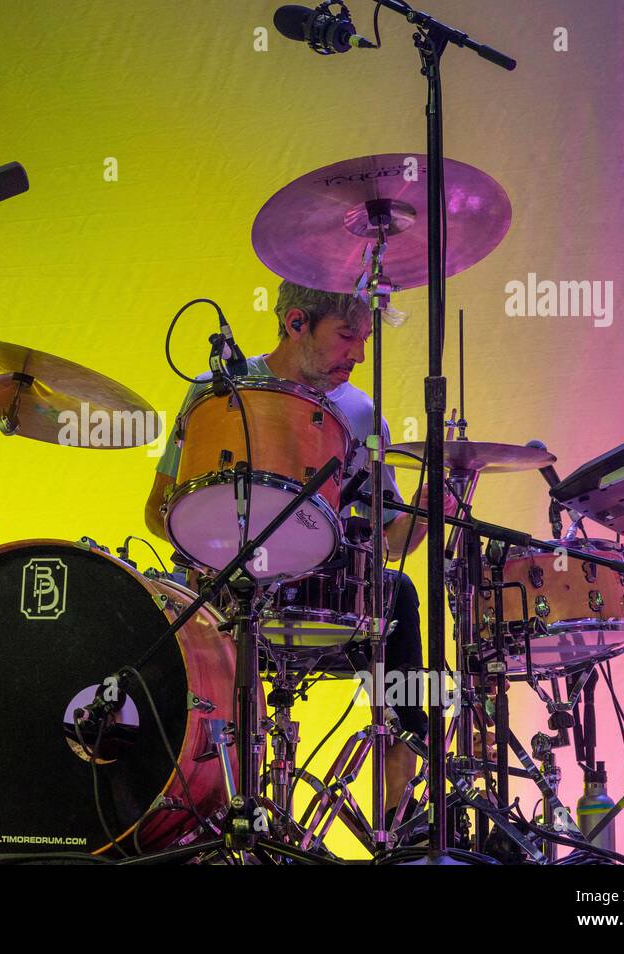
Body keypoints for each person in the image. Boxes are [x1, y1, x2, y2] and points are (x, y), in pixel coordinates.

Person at [144, 280, 457, 816]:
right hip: (225, 590)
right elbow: (157, 512)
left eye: (364, 339)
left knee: (398, 596)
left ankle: (401, 822)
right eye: (346, 337)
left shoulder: (362, 416)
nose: (359, 354)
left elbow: (386, 542)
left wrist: (431, 512)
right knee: (155, 626)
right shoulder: (218, 389)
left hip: (320, 593)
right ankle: (178, 812)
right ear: (294, 324)